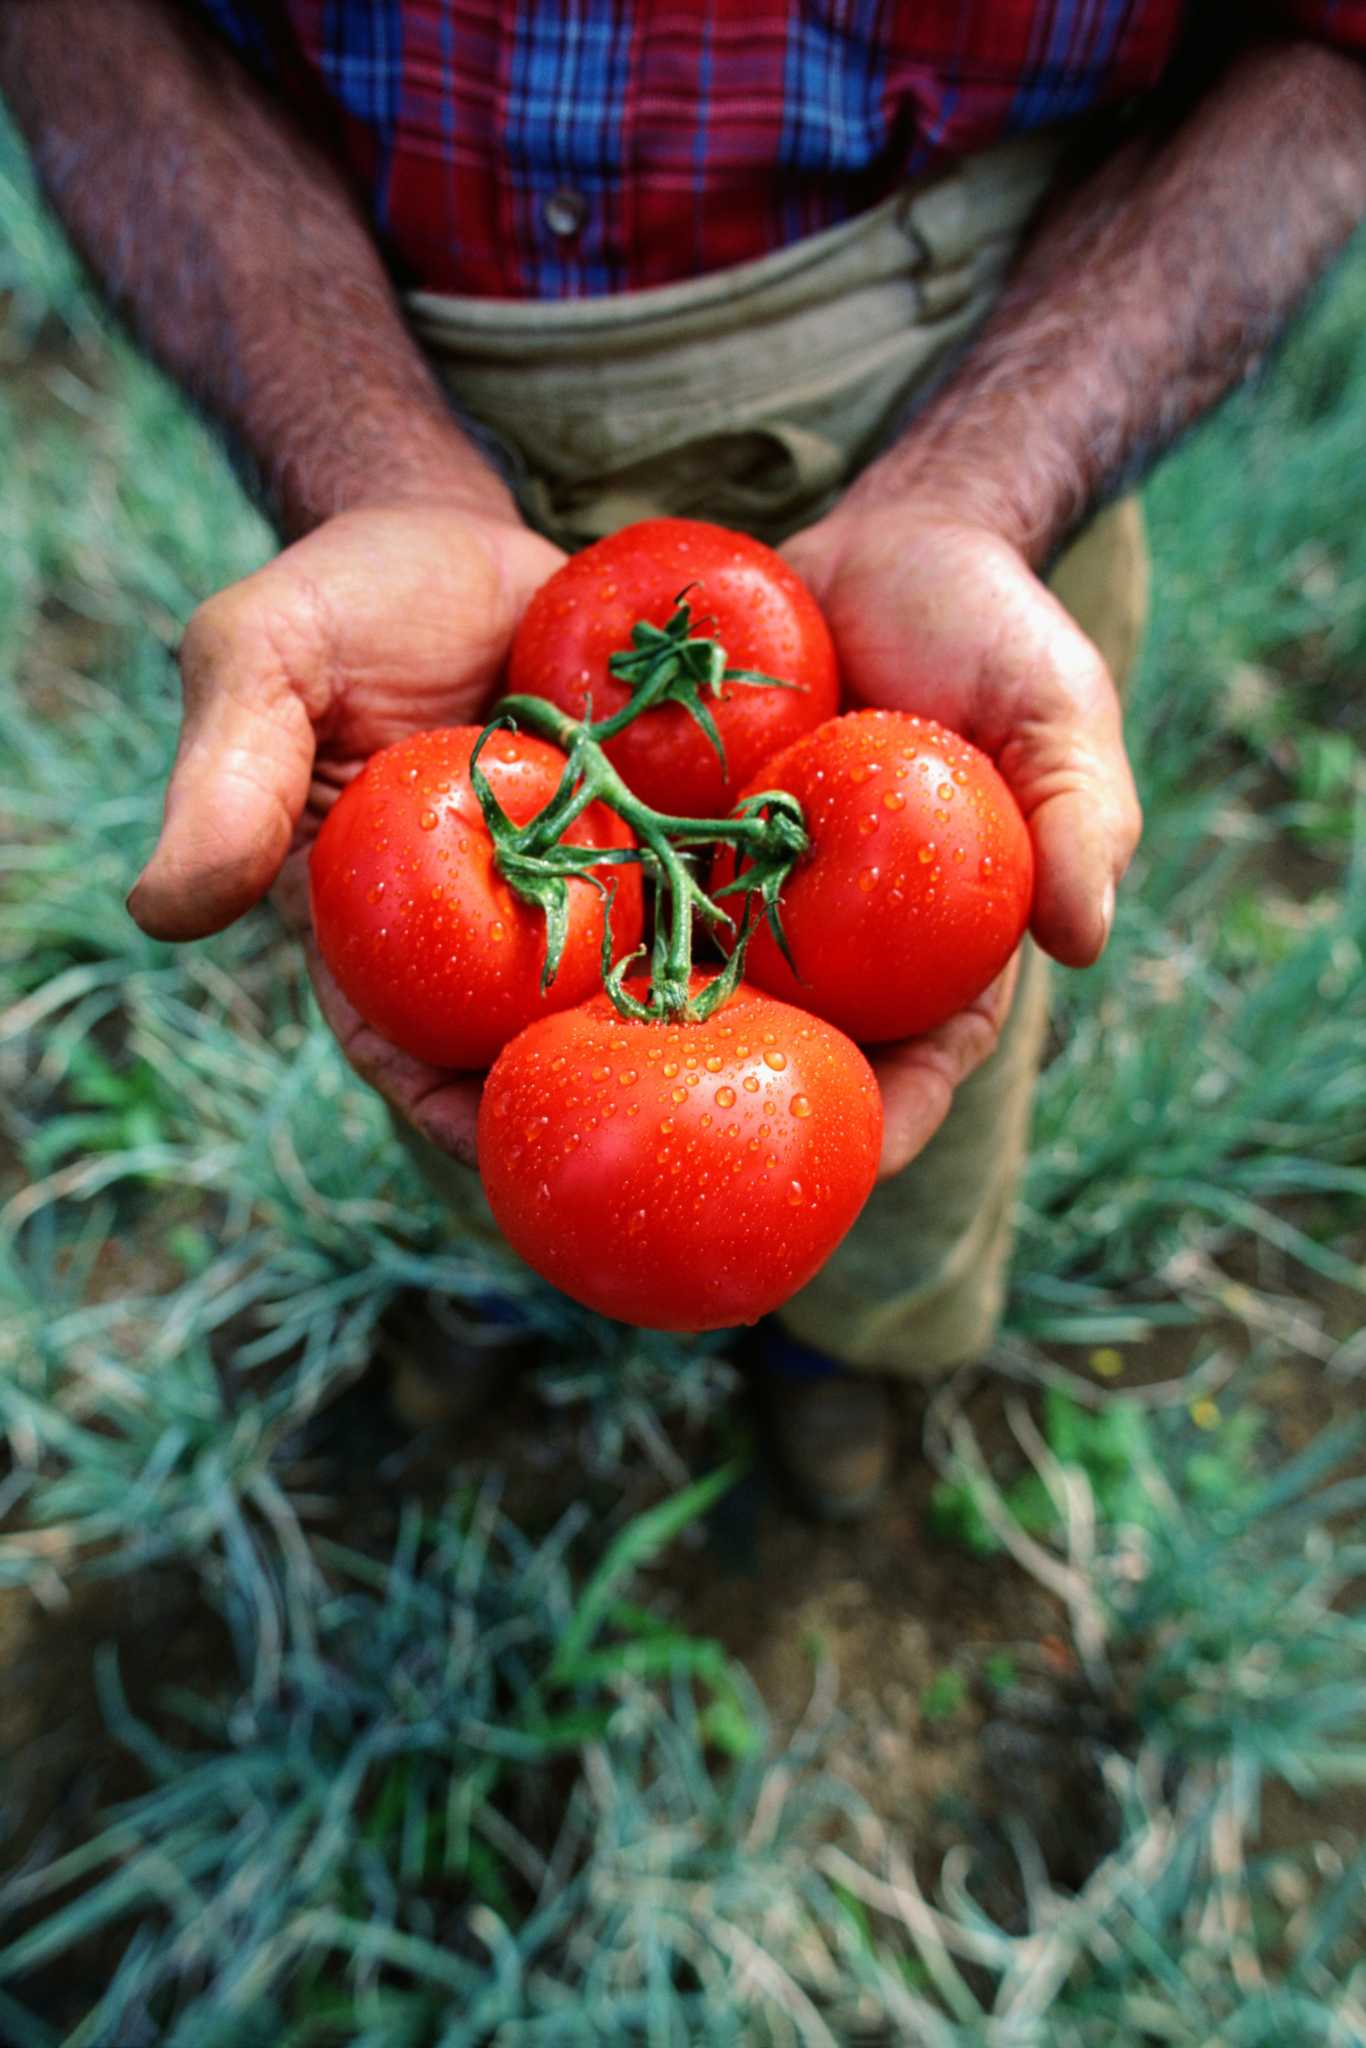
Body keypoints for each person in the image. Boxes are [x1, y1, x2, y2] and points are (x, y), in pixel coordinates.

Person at [3, 3, 1364, 1518]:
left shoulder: (781, 799)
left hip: (993, 363)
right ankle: (516, 1291)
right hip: (377, 337)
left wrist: (981, 494)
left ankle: (846, 1349)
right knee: (466, 1114)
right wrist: (373, 470)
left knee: (931, 1107)